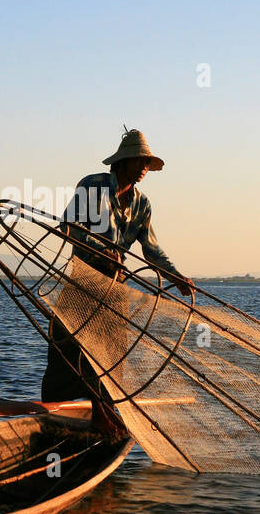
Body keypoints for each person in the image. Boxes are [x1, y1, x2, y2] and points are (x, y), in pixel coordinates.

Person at [41, 129, 194, 429]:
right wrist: (102, 251)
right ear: (122, 162)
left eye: (147, 164)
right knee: (65, 350)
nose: (143, 169)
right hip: (82, 282)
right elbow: (69, 227)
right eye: (139, 162)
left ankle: (104, 412)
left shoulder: (142, 204)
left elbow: (151, 250)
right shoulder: (92, 186)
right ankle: (51, 417)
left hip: (114, 288)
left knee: (111, 357)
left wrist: (175, 276)